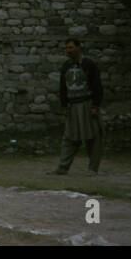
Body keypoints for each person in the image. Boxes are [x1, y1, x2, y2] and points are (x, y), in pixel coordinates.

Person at [50, 38, 103, 175]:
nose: (69, 50)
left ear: (78, 48)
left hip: (86, 103)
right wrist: (64, 105)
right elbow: (63, 87)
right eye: (67, 48)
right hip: (72, 105)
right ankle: (63, 167)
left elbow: (97, 86)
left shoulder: (89, 65)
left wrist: (95, 106)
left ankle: (93, 168)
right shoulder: (66, 66)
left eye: (71, 47)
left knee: (92, 136)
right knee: (69, 137)